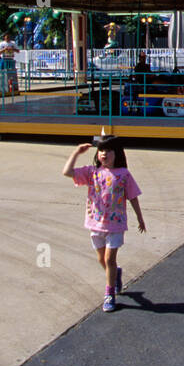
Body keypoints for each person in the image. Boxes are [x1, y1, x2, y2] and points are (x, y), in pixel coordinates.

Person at [63, 133, 146, 312]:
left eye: (108, 151)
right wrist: (77, 152)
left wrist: (140, 218)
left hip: (115, 225)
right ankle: (115, 275)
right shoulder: (91, 172)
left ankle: (109, 294)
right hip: (96, 223)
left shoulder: (123, 174)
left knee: (109, 259)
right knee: (102, 259)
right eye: (101, 150)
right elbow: (67, 172)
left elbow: (132, 196)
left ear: (116, 153)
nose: (104, 154)